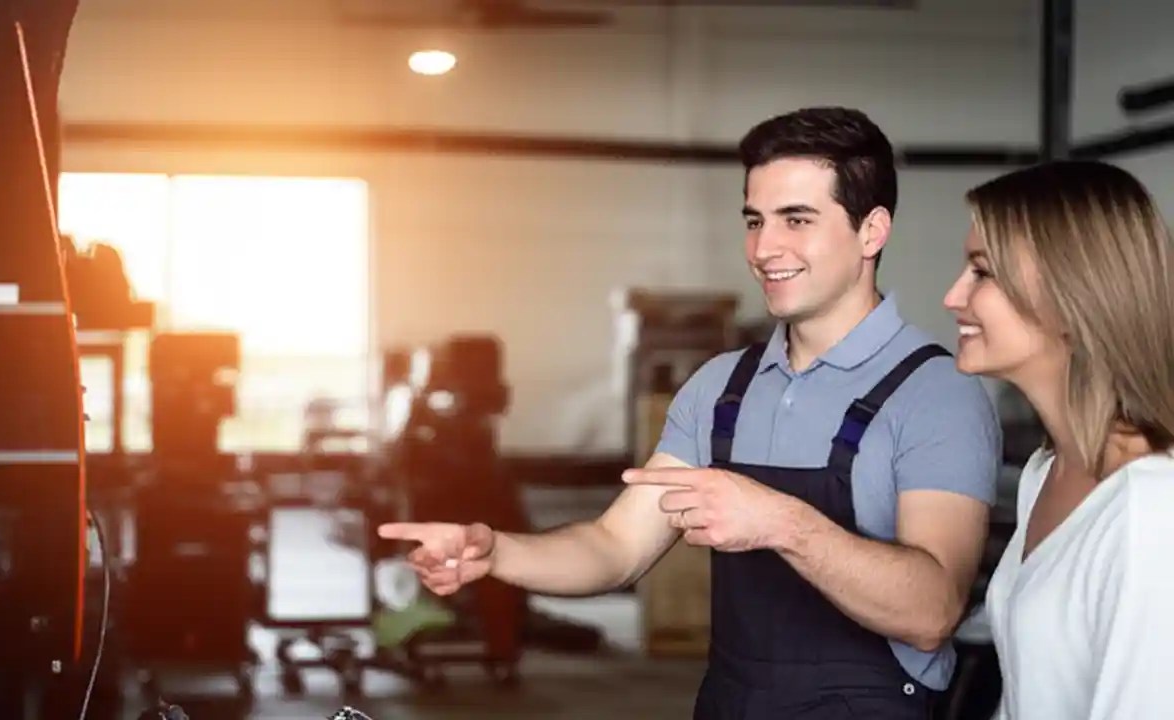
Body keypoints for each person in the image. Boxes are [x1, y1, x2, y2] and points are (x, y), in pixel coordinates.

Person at [379, 107, 1002, 718]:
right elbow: (615, 547)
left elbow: (931, 613)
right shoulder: (720, 388)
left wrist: (781, 523)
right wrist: (497, 554)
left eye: (797, 219)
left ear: (872, 231)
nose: (764, 248)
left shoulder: (938, 392)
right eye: (755, 220)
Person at [943, 160, 1174, 719]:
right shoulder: (1046, 472)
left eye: (982, 272)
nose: (953, 297)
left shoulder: (1150, 508)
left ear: (1073, 296)